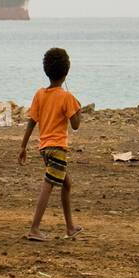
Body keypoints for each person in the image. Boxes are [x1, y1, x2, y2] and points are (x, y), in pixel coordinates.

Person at [18, 46, 84, 240]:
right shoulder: (67, 97)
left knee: (66, 184)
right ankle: (34, 228)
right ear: (66, 73)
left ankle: (70, 227)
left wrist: (23, 147)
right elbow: (76, 125)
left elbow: (32, 121)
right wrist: (78, 110)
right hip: (57, 149)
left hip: (45, 149)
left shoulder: (40, 94)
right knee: (48, 185)